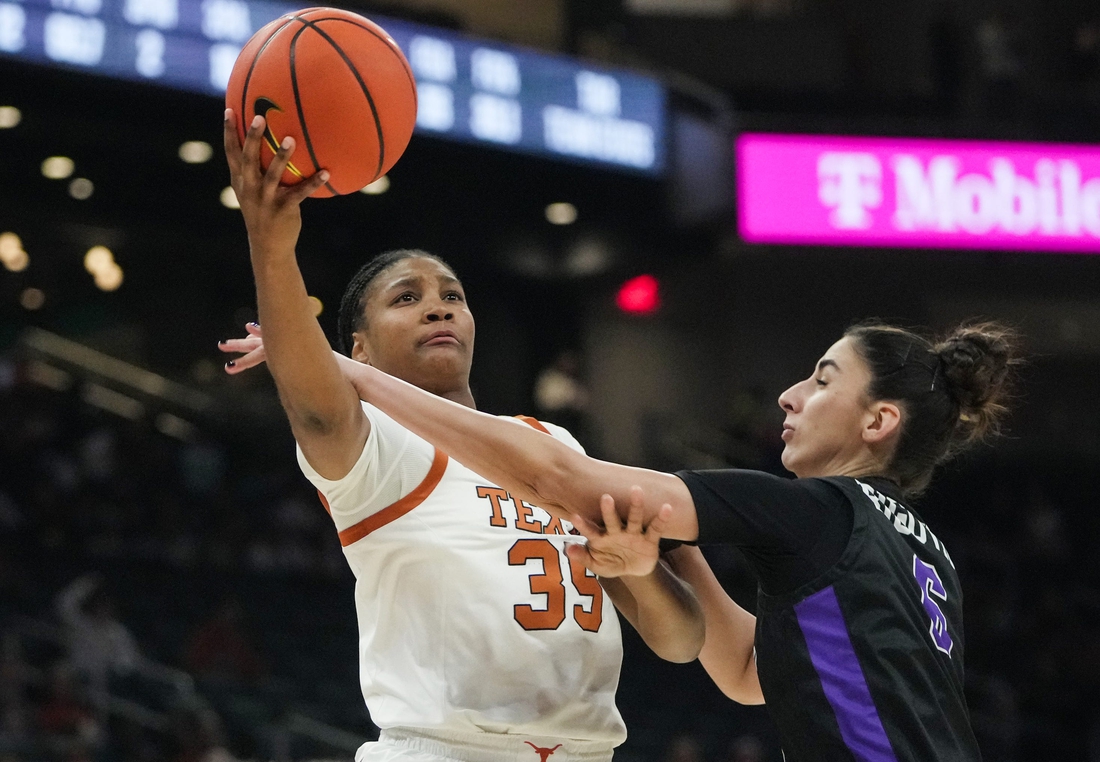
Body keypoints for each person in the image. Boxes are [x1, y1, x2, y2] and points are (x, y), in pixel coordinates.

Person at [301, 315, 1018, 761]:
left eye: (823, 379)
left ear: (878, 422)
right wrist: (665, 552)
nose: (790, 395)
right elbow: (745, 671)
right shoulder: (926, 551)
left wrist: (351, 374)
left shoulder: (819, 511)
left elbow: (564, 480)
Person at [219, 110, 704, 762]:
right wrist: (271, 248)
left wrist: (644, 574)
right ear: (357, 349)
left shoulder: (553, 443)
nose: (439, 305)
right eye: (406, 297)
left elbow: (681, 641)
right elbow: (318, 412)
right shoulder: (377, 449)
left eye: (452, 294)